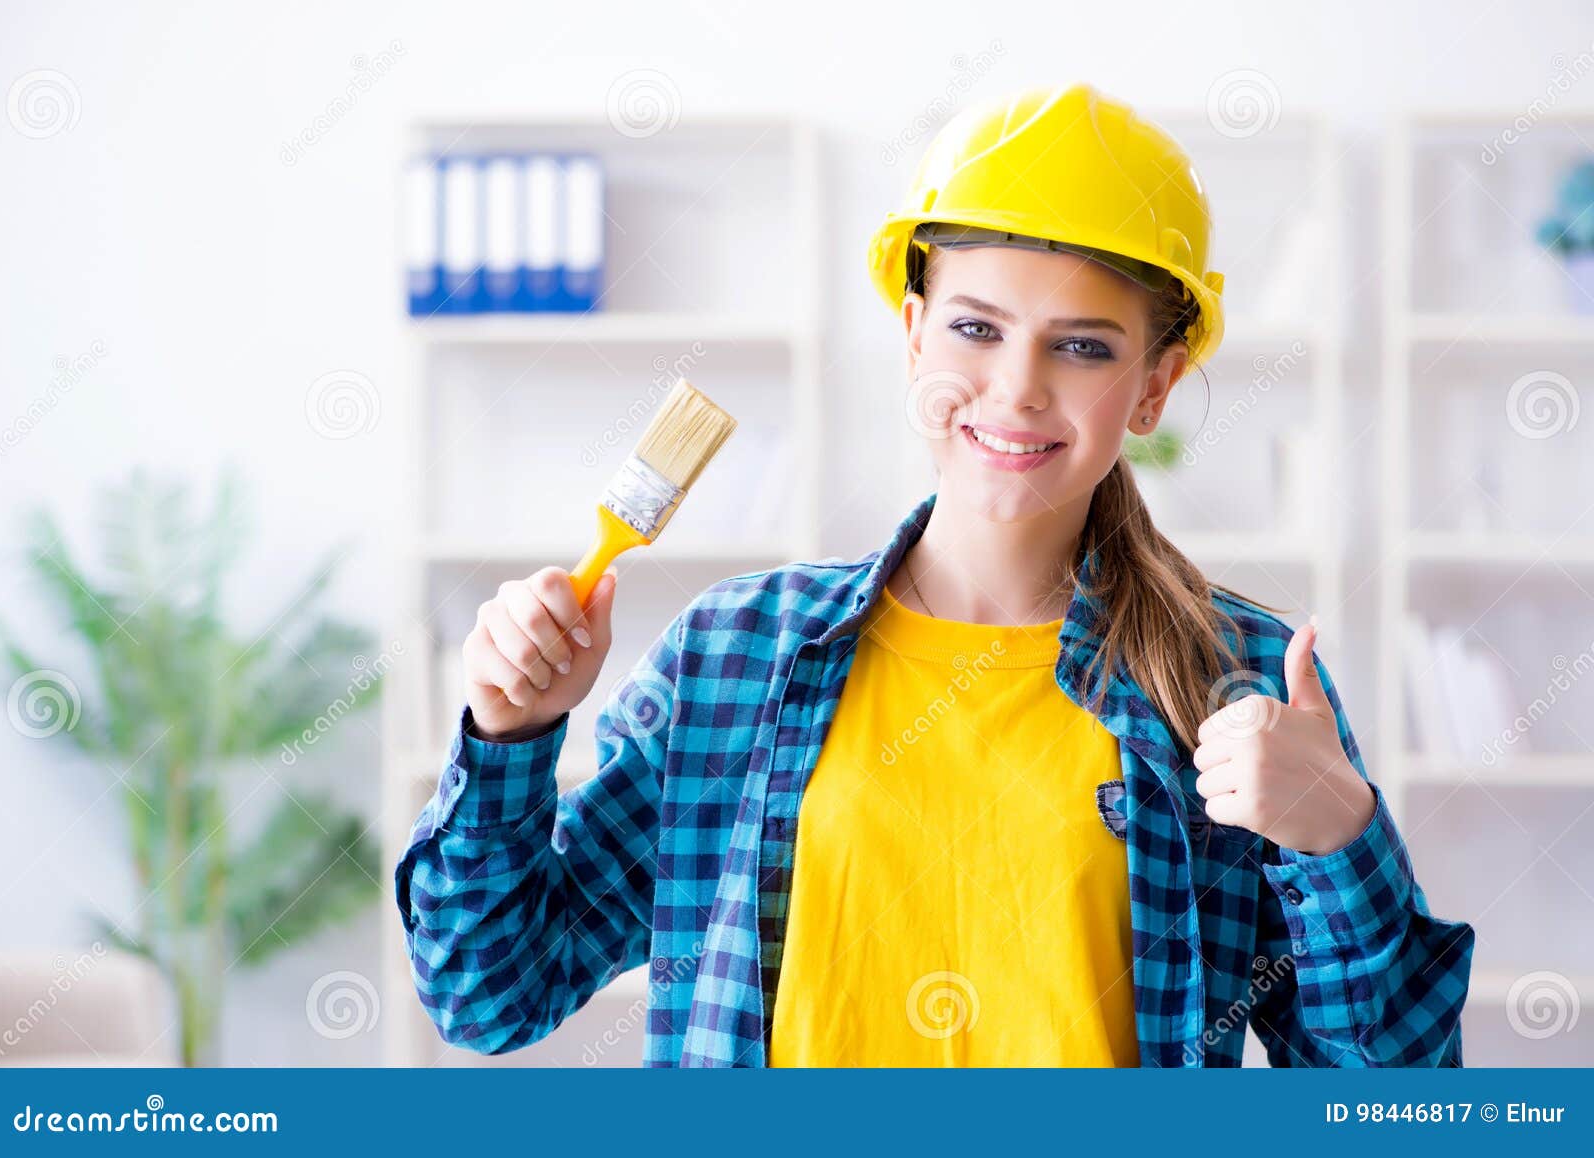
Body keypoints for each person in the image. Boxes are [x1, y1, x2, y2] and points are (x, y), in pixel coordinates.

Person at [394, 83, 1475, 1067]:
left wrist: (1339, 836)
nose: (1017, 388)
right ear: (915, 338)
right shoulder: (735, 659)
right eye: (974, 329)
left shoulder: (1234, 680)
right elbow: (490, 993)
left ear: (1154, 387)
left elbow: (1393, 1099)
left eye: (1084, 347)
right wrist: (508, 736)